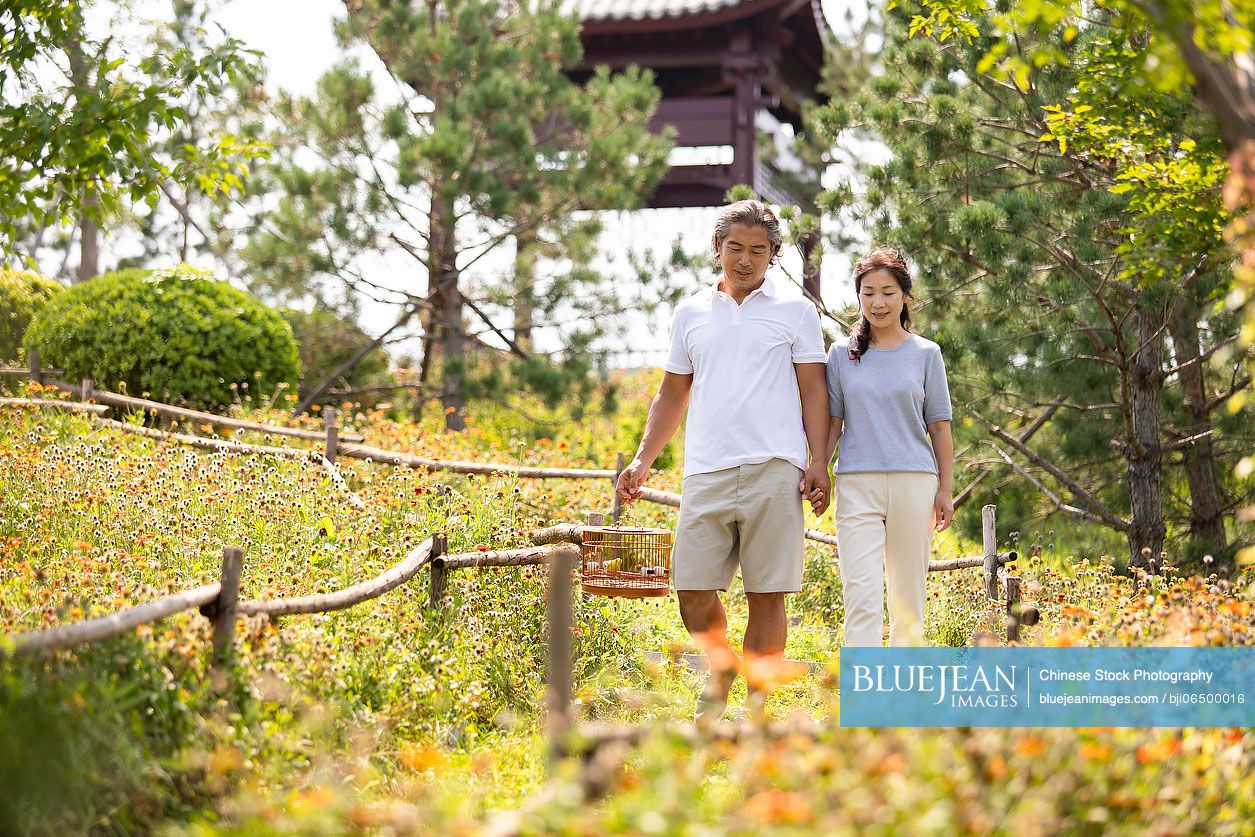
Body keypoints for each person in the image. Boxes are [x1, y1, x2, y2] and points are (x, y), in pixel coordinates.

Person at [616, 199, 830, 719]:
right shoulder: (689, 312)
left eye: (758, 251)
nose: (745, 260)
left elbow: (815, 393)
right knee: (690, 587)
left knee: (767, 593)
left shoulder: (797, 312)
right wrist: (644, 460)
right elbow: (671, 393)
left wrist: (819, 462)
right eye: (735, 247)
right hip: (705, 469)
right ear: (717, 248)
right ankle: (721, 667)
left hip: (775, 468)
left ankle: (756, 710)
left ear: (773, 255)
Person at [825, 246, 954, 647]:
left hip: (913, 481)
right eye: (868, 293)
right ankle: (864, 700)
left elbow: (940, 427)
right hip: (856, 484)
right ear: (858, 296)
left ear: (904, 295)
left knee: (907, 597)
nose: (877, 302)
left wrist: (945, 489)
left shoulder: (926, 354)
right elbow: (833, 423)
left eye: (887, 292)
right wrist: (817, 467)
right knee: (860, 595)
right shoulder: (841, 355)